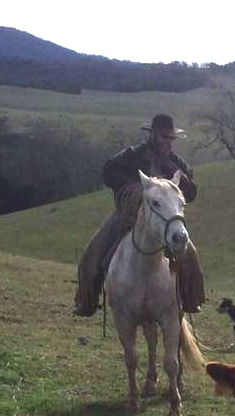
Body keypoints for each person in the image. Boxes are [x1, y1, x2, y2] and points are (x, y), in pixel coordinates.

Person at [74, 114, 205, 317]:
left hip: (164, 221)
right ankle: (87, 302)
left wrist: (177, 176)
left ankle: (190, 300)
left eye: (171, 138)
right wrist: (134, 187)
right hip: (128, 215)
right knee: (93, 254)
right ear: (152, 134)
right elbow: (109, 172)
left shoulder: (176, 163)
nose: (168, 142)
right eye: (164, 137)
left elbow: (192, 192)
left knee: (190, 256)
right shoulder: (132, 155)